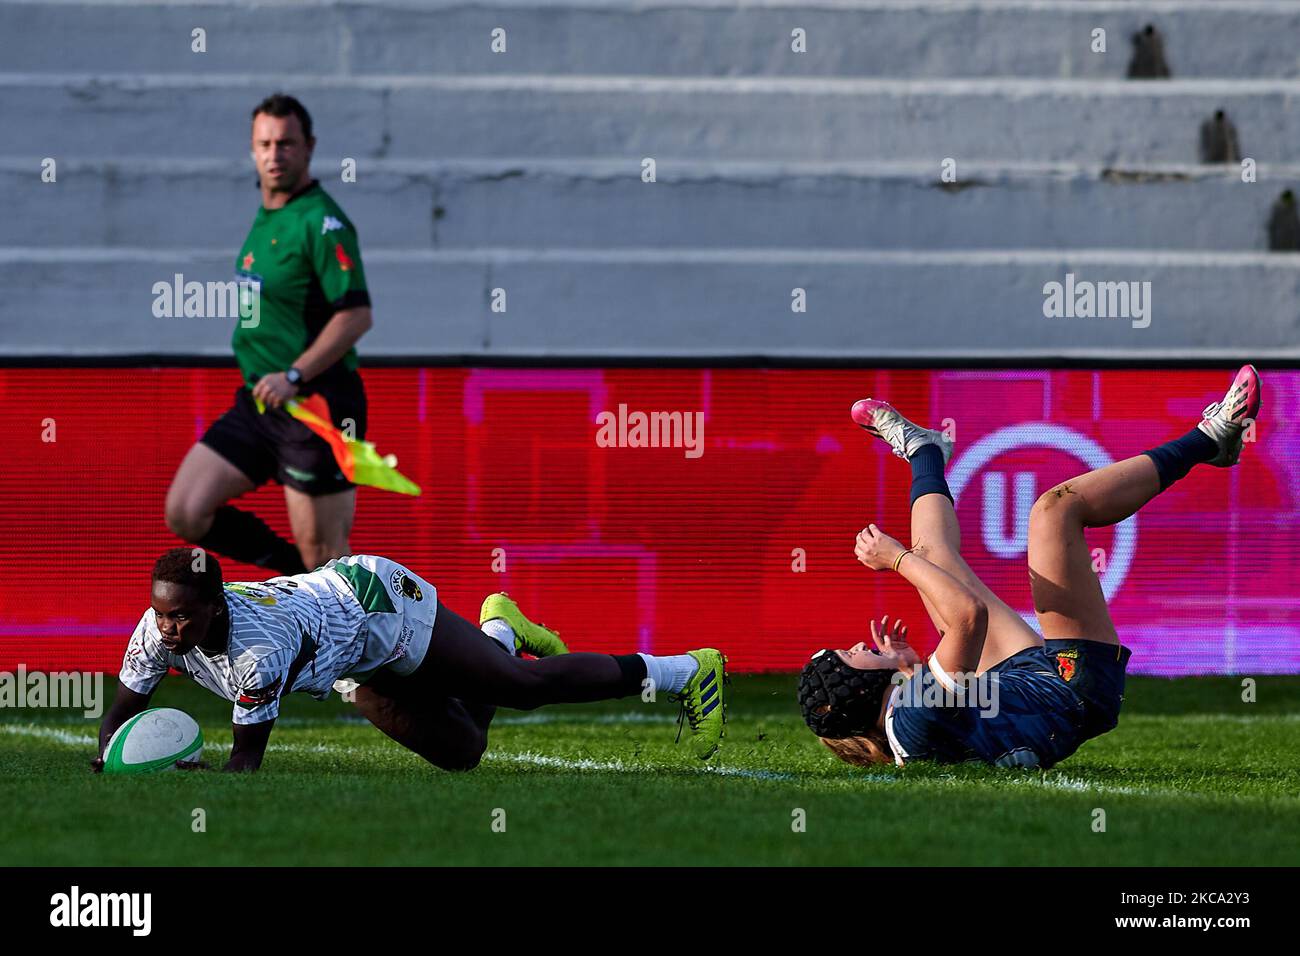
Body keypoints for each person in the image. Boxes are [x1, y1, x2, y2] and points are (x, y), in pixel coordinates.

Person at [799, 365, 1261, 769]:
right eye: (850, 653)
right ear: (859, 686)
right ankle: (1209, 441)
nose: (858, 643)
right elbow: (967, 616)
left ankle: (924, 451)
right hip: (1072, 688)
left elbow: (959, 702)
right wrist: (895, 559)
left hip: (1017, 677)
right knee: (1054, 512)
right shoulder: (915, 713)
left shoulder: (905, 719)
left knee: (932, 557)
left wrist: (904, 663)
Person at [94, 550, 727, 772]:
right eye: (161, 612)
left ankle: (687, 671)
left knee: (522, 690)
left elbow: (244, 763)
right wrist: (107, 757)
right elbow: (126, 706)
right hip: (350, 660)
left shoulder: (255, 654)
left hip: (378, 608)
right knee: (463, 753)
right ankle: (501, 628)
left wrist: (191, 772)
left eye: (182, 615)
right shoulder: (154, 631)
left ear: (215, 604)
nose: (168, 627)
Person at [164, 93, 374, 575]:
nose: (275, 155)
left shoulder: (323, 222)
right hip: (261, 402)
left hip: (314, 404)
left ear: (309, 147)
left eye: (286, 143)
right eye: (265, 144)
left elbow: (356, 316)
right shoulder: (269, 214)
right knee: (187, 509)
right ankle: (296, 579)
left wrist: (295, 374)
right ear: (252, 149)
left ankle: (366, 637)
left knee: (327, 560)